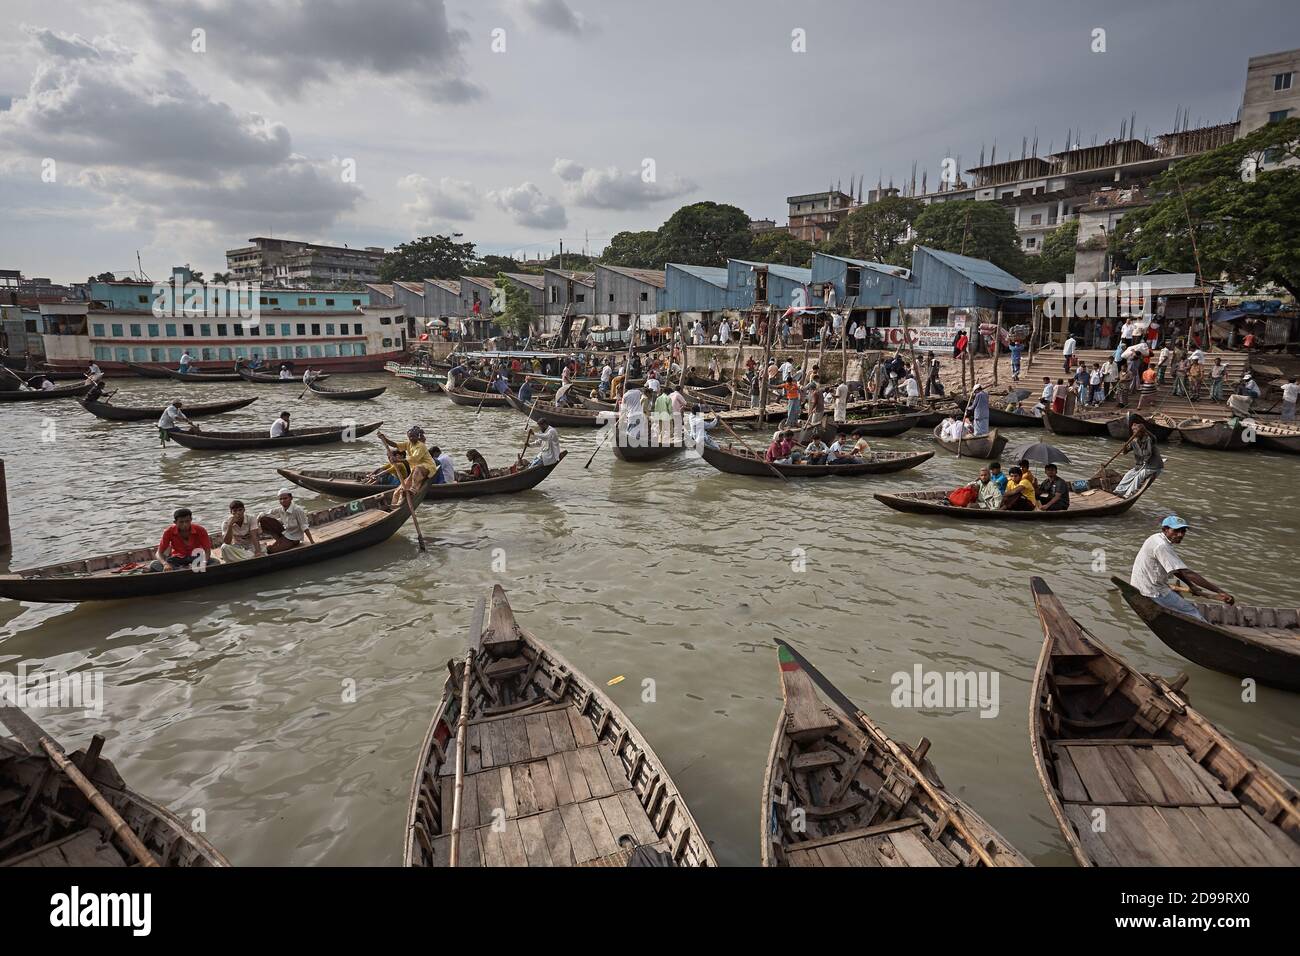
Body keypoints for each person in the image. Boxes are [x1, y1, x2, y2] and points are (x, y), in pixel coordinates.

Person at [1130, 516, 1234, 620]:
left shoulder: (1156, 538)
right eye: (1176, 531)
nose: (1180, 534)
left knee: (1179, 607)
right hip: (1151, 590)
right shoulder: (1162, 546)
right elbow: (1188, 573)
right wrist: (1219, 591)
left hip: (1141, 585)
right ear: (1165, 529)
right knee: (1192, 612)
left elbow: (1175, 569)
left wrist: (1191, 585)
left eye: (1183, 531)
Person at [1114, 417, 1163, 497]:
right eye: (1133, 431)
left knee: (1138, 477)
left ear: (1141, 432)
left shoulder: (1148, 439)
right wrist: (1125, 447)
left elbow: (1147, 454)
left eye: (1136, 431)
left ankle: (1128, 494)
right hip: (1141, 465)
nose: (1134, 433)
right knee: (1128, 474)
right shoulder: (1134, 440)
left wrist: (1139, 443)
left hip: (1152, 465)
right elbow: (1125, 452)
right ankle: (1119, 490)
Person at [259, 488, 315, 554]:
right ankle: (279, 540)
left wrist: (312, 542)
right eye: (280, 499)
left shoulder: (297, 510)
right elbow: (264, 514)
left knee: (271, 551)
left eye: (285, 498)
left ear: (291, 498)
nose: (282, 501)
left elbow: (304, 526)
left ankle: (285, 542)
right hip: (285, 533)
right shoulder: (280, 509)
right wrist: (257, 522)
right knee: (264, 519)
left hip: (293, 538)